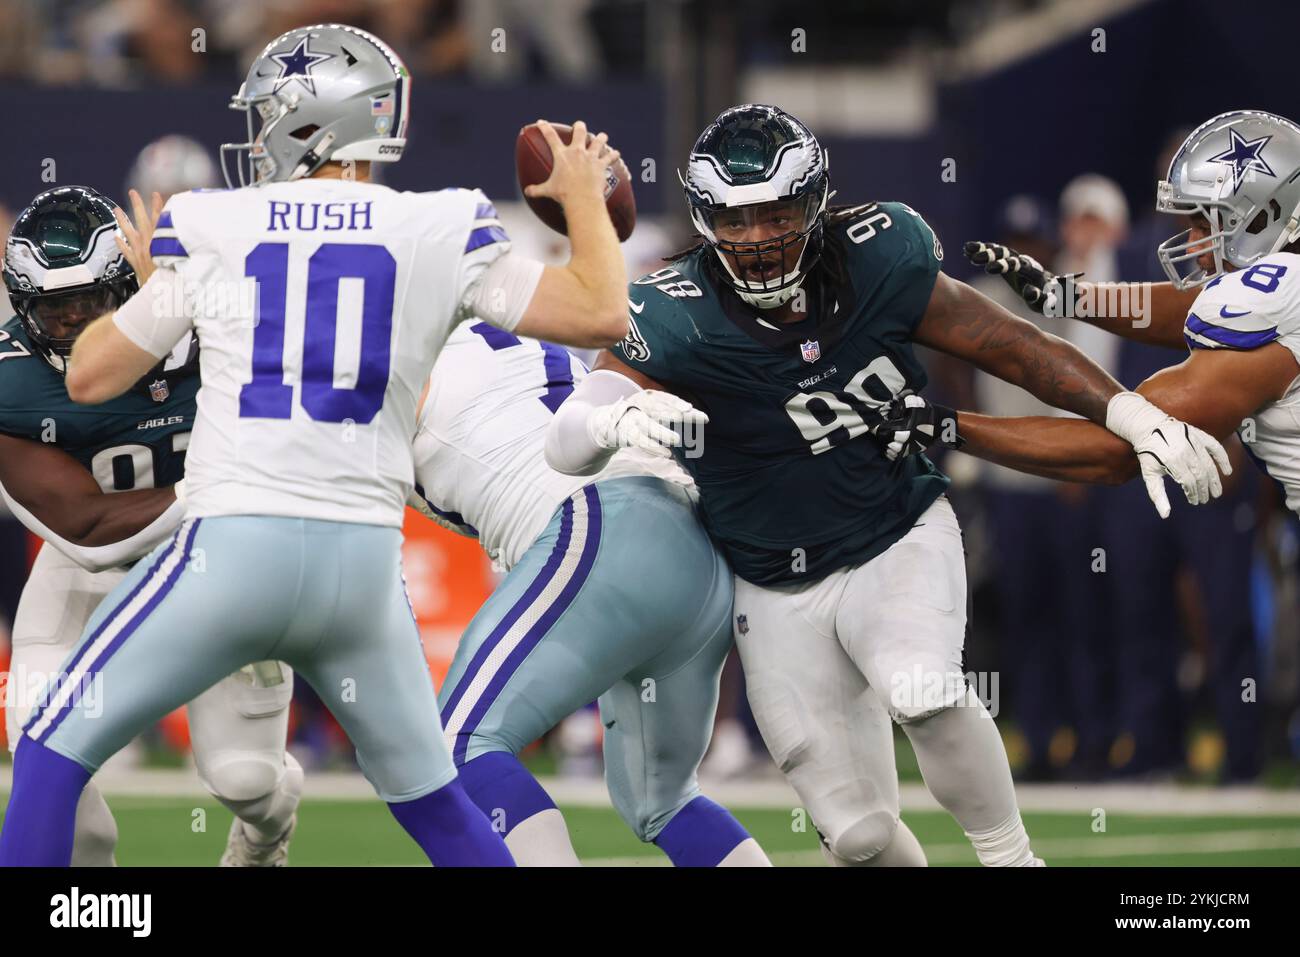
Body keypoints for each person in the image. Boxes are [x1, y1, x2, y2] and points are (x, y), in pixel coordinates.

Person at [0, 22, 627, 867]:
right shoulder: (442, 222)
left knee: (47, 745)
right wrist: (585, 195)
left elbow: (88, 377)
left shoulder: (210, 222)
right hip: (364, 567)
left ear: (302, 123)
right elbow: (599, 313)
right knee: (438, 807)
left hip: (235, 549)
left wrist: (155, 296)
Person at [545, 104, 1227, 866]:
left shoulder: (879, 253)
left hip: (894, 530)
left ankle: (1013, 860)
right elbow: (567, 440)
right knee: (862, 838)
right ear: (705, 219)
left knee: (922, 689)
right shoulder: (672, 312)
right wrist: (607, 423)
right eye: (734, 219)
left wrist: (1124, 408)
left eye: (775, 212)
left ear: (815, 203)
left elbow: (1007, 343)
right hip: (772, 581)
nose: (756, 237)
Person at [0, 185, 302, 865]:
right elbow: (87, 526)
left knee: (246, 779)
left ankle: (264, 833)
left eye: (92, 302)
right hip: (87, 573)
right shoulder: (12, 382)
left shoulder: (212, 319)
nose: (77, 325)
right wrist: (225, 482)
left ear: (133, 284)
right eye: (55, 310)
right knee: (48, 781)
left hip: (220, 563)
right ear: (23, 308)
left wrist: (195, 292)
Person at [409, 320, 769, 866]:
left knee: (457, 747)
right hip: (694, 550)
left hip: (603, 530)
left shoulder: (395, 357)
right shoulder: (512, 332)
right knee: (664, 802)